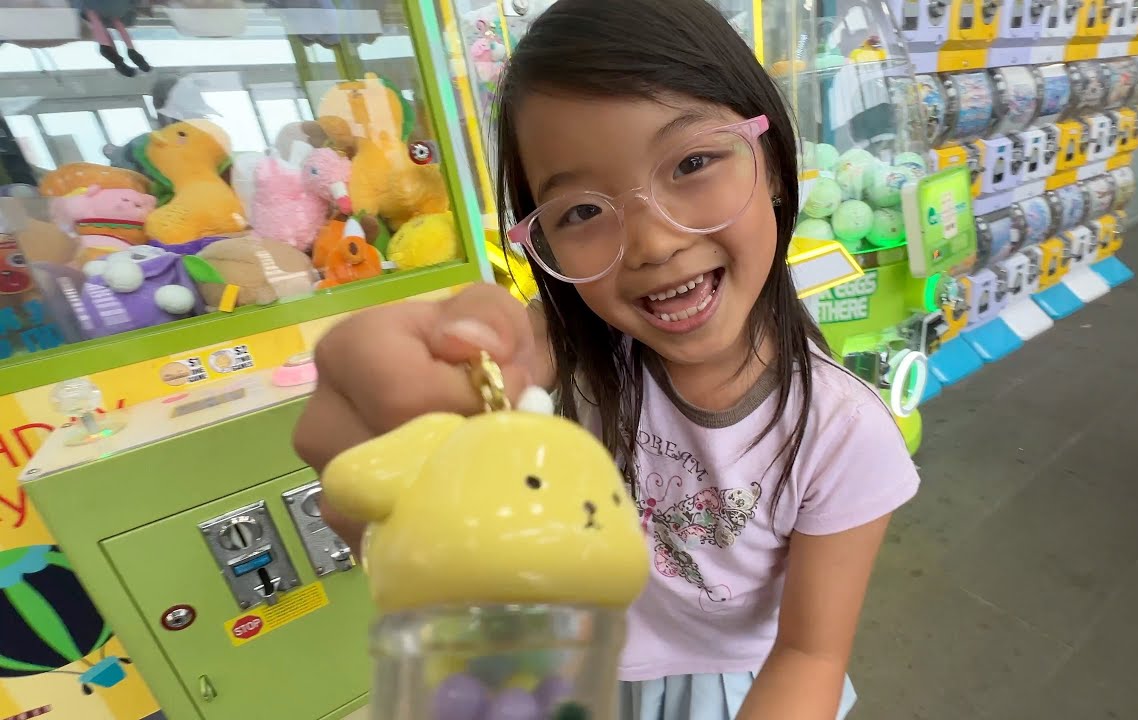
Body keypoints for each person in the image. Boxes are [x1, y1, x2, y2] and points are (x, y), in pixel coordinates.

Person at [294, 0, 920, 717]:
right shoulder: (567, 358)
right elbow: (414, 461)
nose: (654, 242)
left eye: (692, 162)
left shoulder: (841, 431)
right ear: (547, 243)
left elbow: (810, 653)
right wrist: (389, 427)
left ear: (773, 165)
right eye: (582, 211)